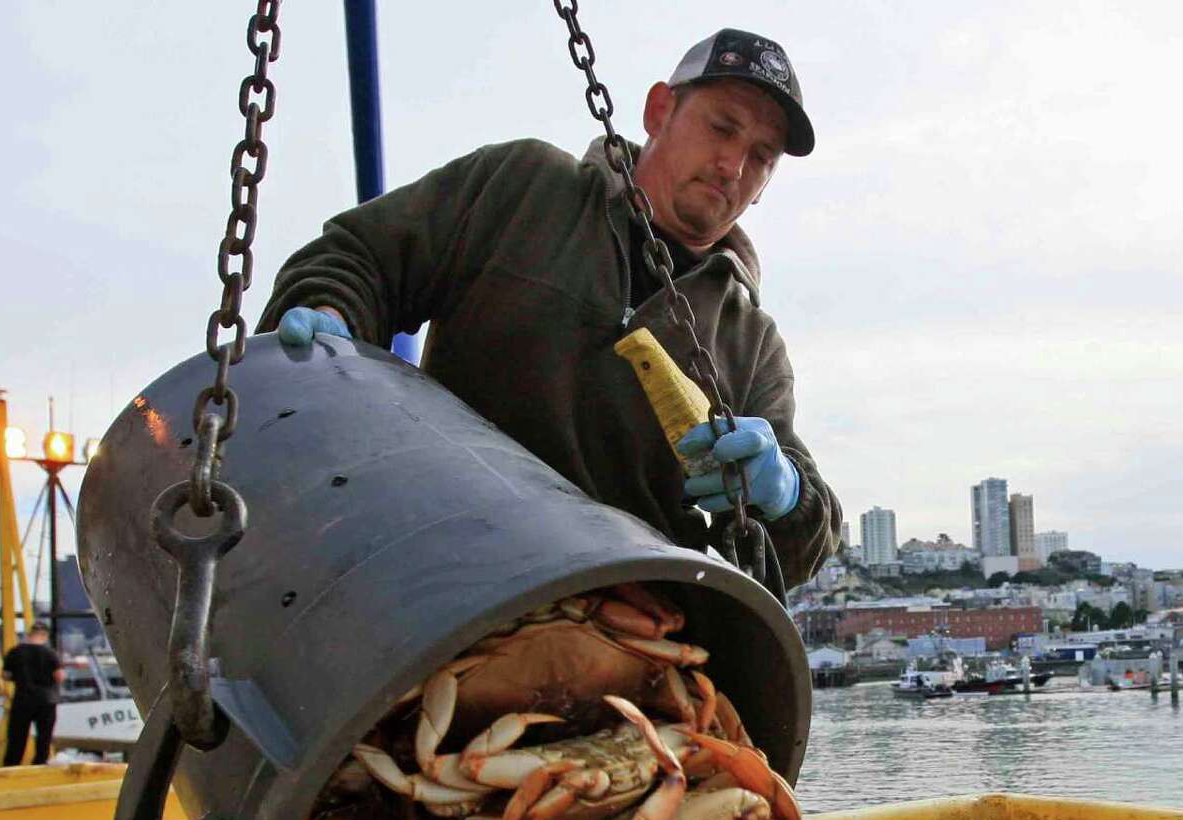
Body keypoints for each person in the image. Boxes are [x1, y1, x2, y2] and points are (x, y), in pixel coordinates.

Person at [259, 27, 842, 588]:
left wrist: (784, 494)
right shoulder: (521, 187)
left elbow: (804, 547)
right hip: (442, 568)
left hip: (635, 612)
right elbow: (361, 257)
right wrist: (329, 315)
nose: (733, 166)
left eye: (762, 156)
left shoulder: (751, 341)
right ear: (659, 110)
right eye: (722, 127)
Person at [1, 621, 63, 766]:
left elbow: (5, 675)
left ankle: (11, 768)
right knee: (44, 738)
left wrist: (20, 677)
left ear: (29, 635)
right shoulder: (51, 653)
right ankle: (39, 766)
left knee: (17, 738)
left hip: (22, 700)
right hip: (46, 701)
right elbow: (59, 676)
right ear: (45, 636)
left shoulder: (15, 652)